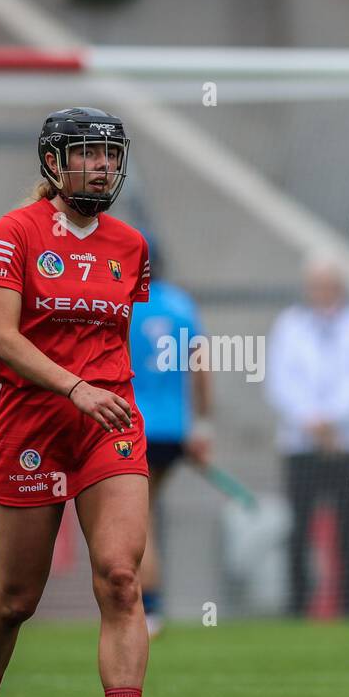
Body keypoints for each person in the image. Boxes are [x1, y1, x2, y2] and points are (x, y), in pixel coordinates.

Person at [0, 106, 156, 697]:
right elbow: (3, 338)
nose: (103, 164)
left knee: (122, 579)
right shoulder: (14, 233)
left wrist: (96, 395)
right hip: (35, 424)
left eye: (110, 153)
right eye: (88, 153)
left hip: (111, 423)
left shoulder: (131, 246)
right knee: (18, 599)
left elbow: (110, 340)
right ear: (53, 162)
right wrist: (73, 387)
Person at [265, 254, 349, 619]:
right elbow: (280, 382)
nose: (320, 292)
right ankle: (298, 606)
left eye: (327, 284)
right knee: (298, 528)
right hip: (300, 445)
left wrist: (334, 419)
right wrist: (310, 421)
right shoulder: (289, 325)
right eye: (314, 284)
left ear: (340, 286)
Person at [128, 232, 214, 638]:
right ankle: (147, 604)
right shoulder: (182, 305)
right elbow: (201, 371)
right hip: (172, 431)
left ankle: (150, 605)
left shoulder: (123, 305)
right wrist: (202, 425)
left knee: (138, 518)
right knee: (143, 514)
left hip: (129, 425)